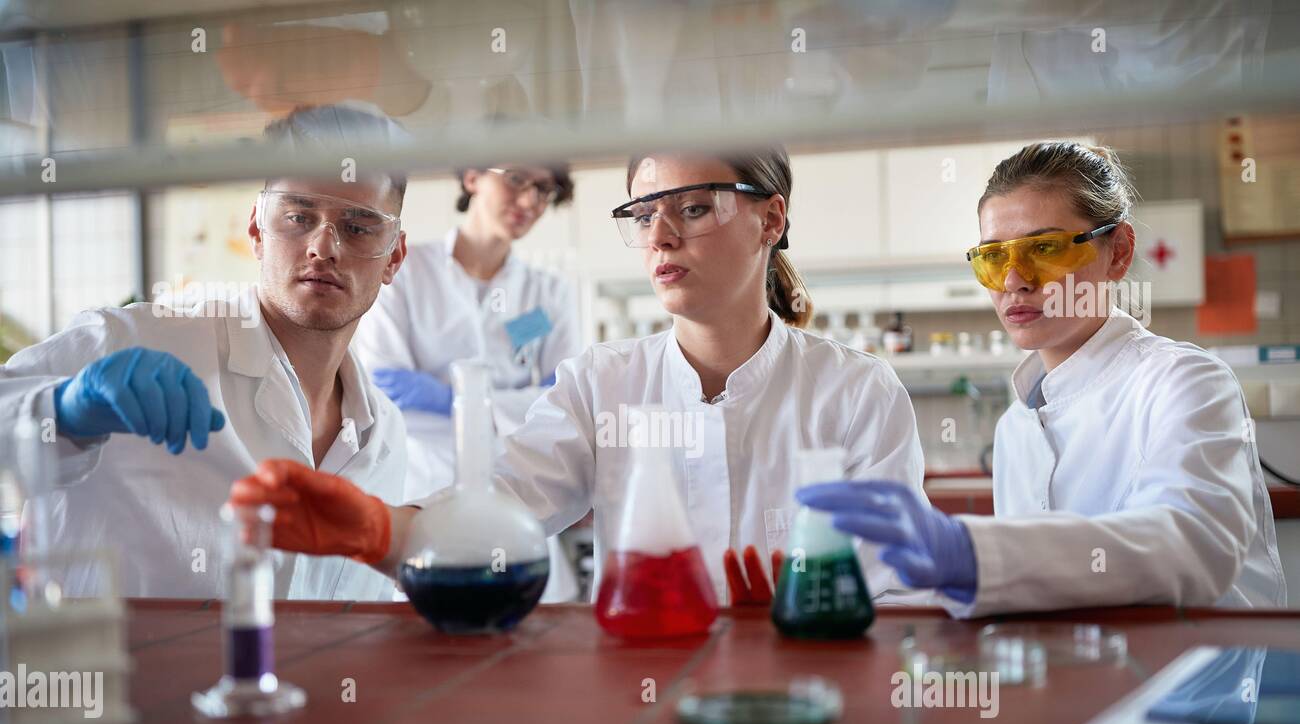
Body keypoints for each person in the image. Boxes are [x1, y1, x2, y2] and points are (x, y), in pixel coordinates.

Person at [230, 146, 926, 607]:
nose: (659, 238)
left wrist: (799, 615)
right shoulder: (604, 384)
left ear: (771, 216)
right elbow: (502, 506)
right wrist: (380, 528)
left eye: (691, 208)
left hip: (808, 695)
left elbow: (893, 585)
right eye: (643, 215)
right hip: (642, 693)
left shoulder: (857, 392)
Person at [798, 140, 1287, 615]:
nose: (1015, 280)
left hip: (1201, 690)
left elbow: (1192, 547)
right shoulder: (1016, 426)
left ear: (1118, 252)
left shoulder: (1184, 382)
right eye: (994, 257)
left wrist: (972, 553)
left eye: (1046, 248)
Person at [0, 105, 410, 600]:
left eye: (359, 226)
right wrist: (63, 412)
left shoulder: (383, 437)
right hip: (114, 677)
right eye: (299, 217)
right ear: (257, 231)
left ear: (394, 257)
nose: (323, 247)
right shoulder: (133, 339)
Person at [353, 163, 582, 601]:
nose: (531, 201)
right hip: (421, 484)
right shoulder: (403, 270)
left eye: (544, 190)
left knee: (526, 638)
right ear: (473, 176)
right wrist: (509, 407)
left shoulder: (547, 293)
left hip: (511, 492)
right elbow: (388, 380)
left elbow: (562, 395)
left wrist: (467, 402)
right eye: (517, 179)